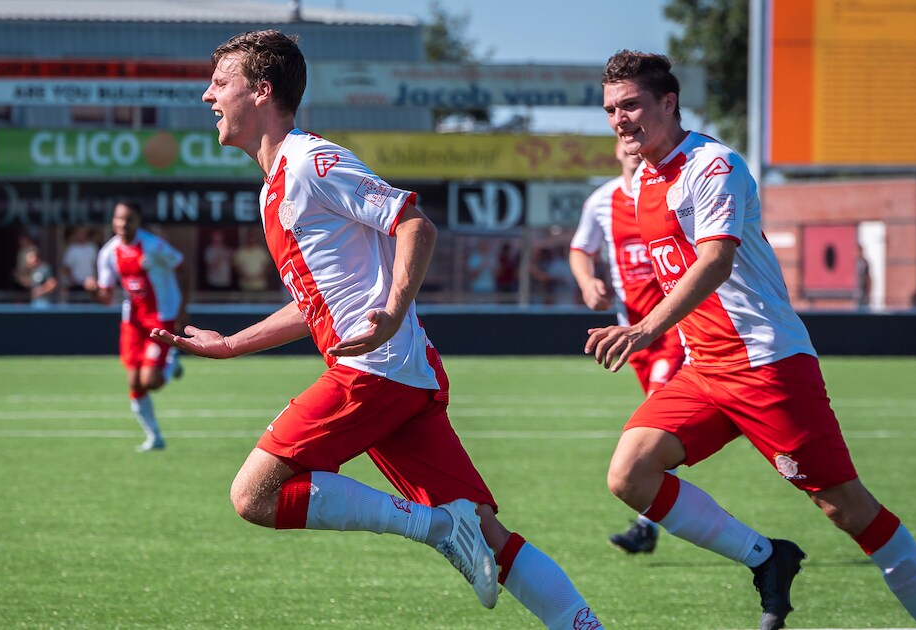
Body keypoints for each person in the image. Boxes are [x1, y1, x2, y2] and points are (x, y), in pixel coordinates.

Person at [152, 30, 601, 629]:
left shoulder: (310, 160)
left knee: (253, 496)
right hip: (400, 373)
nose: (208, 96)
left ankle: (438, 527)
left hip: (374, 371)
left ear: (261, 91)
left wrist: (389, 312)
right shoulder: (272, 189)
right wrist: (233, 345)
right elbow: (316, 308)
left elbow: (414, 224)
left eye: (220, 83)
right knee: (488, 532)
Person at [587, 50, 916, 630]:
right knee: (630, 474)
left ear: (669, 102)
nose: (620, 118)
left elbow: (714, 262)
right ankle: (768, 559)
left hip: (766, 363)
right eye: (611, 108)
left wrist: (643, 329)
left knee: (846, 508)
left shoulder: (713, 166)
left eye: (632, 104)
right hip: (704, 369)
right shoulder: (641, 183)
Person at [570, 140, 686, 554]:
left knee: (654, 423)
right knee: (661, 430)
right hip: (631, 335)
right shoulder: (602, 201)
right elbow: (581, 250)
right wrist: (588, 284)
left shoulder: (670, 193)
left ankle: (645, 523)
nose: (634, 152)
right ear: (617, 153)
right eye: (627, 147)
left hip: (674, 331)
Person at [87, 200, 185, 452]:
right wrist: (93, 291)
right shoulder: (108, 253)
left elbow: (182, 266)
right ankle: (154, 437)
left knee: (150, 381)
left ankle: (170, 361)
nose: (122, 224)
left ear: (138, 222)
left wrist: (183, 308)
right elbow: (106, 297)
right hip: (133, 322)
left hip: (161, 316)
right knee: (134, 383)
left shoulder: (153, 245)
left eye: (128, 219)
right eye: (118, 219)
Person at [60, 226, 99, 302]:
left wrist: (95, 280)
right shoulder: (72, 249)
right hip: (75, 285)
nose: (82, 236)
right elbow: (66, 267)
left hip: (89, 285)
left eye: (83, 234)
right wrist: (72, 281)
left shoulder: (92, 248)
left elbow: (96, 265)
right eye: (80, 234)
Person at [233, 228, 272, 293]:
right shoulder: (241, 252)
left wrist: (262, 274)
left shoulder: (261, 251)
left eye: (252, 238)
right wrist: (244, 275)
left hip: (260, 285)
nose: (251, 240)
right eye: (249, 238)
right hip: (244, 286)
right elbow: (235, 267)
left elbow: (269, 265)